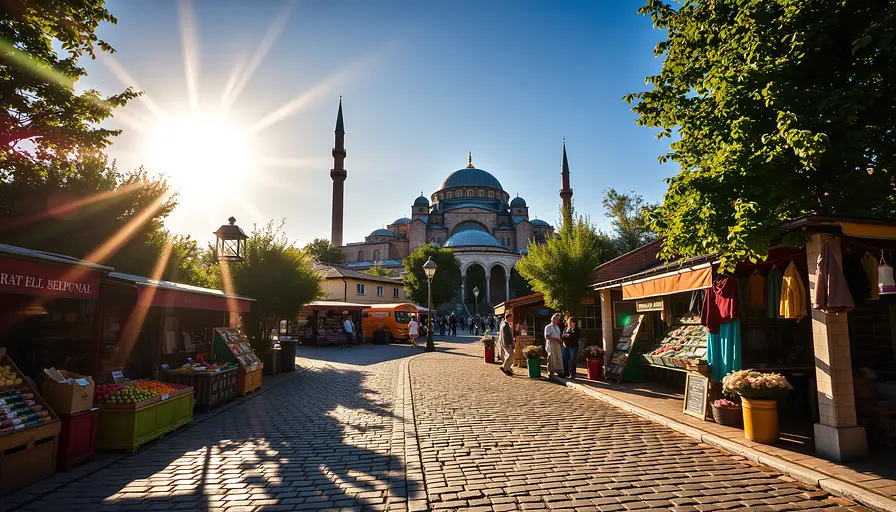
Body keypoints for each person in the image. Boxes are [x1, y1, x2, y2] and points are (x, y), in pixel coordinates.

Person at [544, 313, 564, 377]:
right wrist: (556, 339)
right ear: (552, 320)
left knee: (558, 357)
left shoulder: (557, 327)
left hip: (557, 344)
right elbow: (547, 336)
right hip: (551, 344)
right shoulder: (548, 327)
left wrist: (560, 339)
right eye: (557, 320)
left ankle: (558, 371)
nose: (558, 321)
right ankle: (550, 372)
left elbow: (559, 335)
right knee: (551, 358)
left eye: (558, 320)